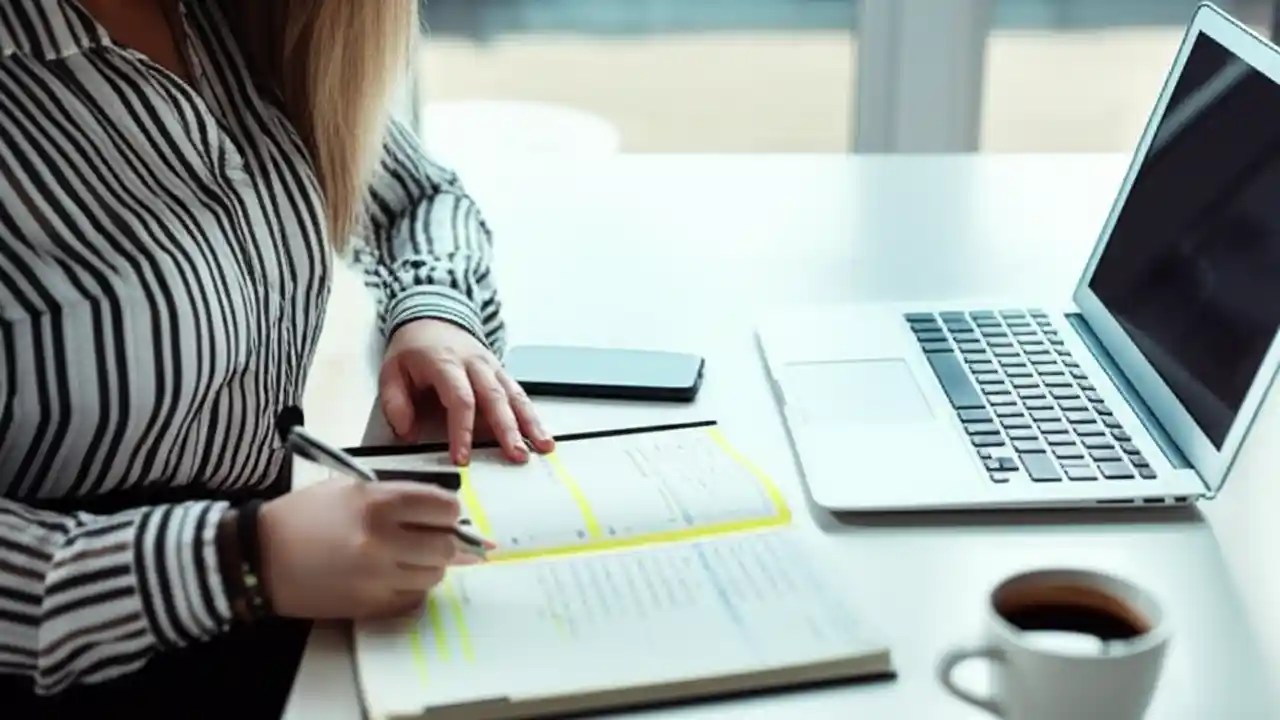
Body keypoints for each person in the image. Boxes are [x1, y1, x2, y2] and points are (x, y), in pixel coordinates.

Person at [0, 0, 555, 716]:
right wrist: (235, 560)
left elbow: (420, 196)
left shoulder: (230, 21)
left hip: (271, 621)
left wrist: (434, 315)